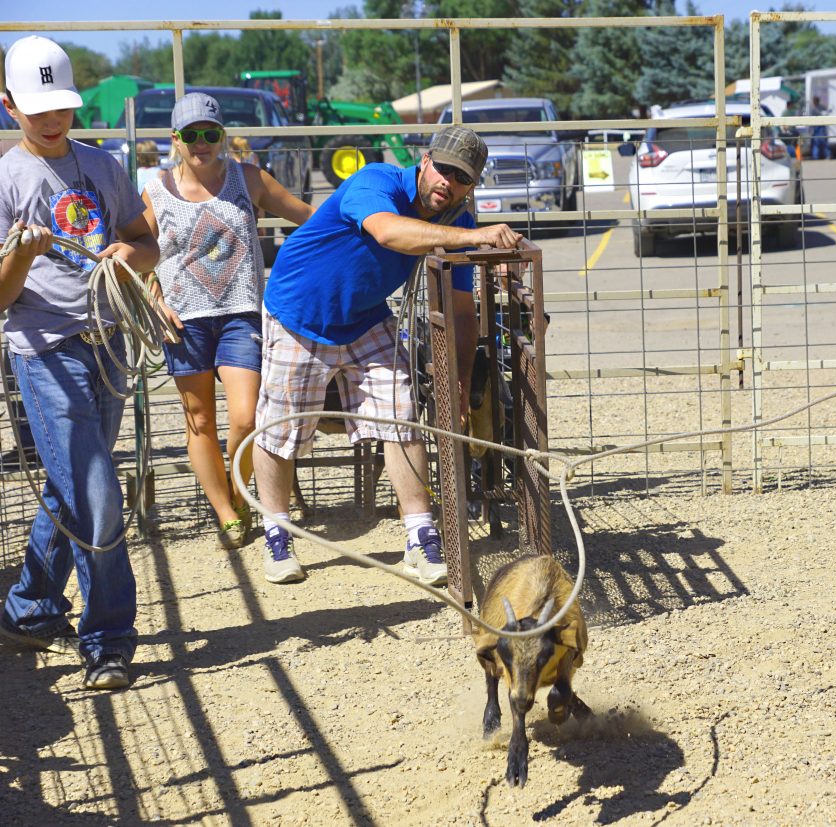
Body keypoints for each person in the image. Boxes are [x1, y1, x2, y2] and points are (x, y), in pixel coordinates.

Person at [251, 125, 522, 585]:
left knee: (402, 415)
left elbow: (460, 307)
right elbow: (387, 231)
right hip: (298, 312)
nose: (448, 183)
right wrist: (472, 238)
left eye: (462, 178)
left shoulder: (458, 222)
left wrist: (458, 377)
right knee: (282, 426)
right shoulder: (376, 180)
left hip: (364, 318)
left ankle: (420, 535)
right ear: (425, 162)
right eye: (444, 169)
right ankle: (275, 531)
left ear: (472, 186)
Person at [0, 36, 160, 689]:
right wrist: (22, 255)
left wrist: (130, 257)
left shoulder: (105, 166)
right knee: (97, 489)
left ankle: (29, 606)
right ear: (9, 106)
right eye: (37, 108)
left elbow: (144, 240)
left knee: (74, 485)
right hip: (45, 348)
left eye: (59, 105)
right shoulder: (7, 180)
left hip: (109, 338)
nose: (50, 118)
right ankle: (109, 637)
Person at [141, 93, 314, 550]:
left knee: (245, 416)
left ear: (222, 136)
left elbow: (307, 217)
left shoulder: (249, 178)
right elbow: (134, 252)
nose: (202, 143)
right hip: (185, 320)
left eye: (210, 133)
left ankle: (239, 496)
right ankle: (227, 515)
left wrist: (365, 223)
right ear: (175, 139)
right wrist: (152, 297)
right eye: (192, 135)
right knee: (199, 419)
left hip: (240, 313)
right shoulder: (156, 191)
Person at [809, 96, 831, 161]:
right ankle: (816, 156)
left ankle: (825, 155)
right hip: (816, 127)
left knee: (821, 142)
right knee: (817, 143)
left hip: (820, 127)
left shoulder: (819, 108)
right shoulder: (814, 109)